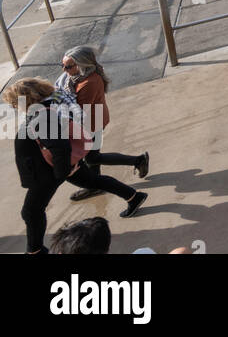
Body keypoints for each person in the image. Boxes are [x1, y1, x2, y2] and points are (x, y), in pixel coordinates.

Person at [7, 78, 147, 254]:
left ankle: (35, 250)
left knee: (31, 211)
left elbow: (59, 147)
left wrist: (61, 173)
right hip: (57, 165)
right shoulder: (47, 106)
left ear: (26, 99)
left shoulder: (42, 116)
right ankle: (133, 197)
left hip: (47, 172)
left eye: (14, 102)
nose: (13, 106)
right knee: (93, 181)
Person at [56, 46, 149, 202]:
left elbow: (77, 110)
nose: (64, 70)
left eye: (68, 66)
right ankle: (97, 184)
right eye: (63, 65)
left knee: (92, 158)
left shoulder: (89, 82)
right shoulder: (75, 77)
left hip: (91, 124)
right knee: (93, 157)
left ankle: (135, 161)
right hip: (92, 120)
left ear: (81, 65)